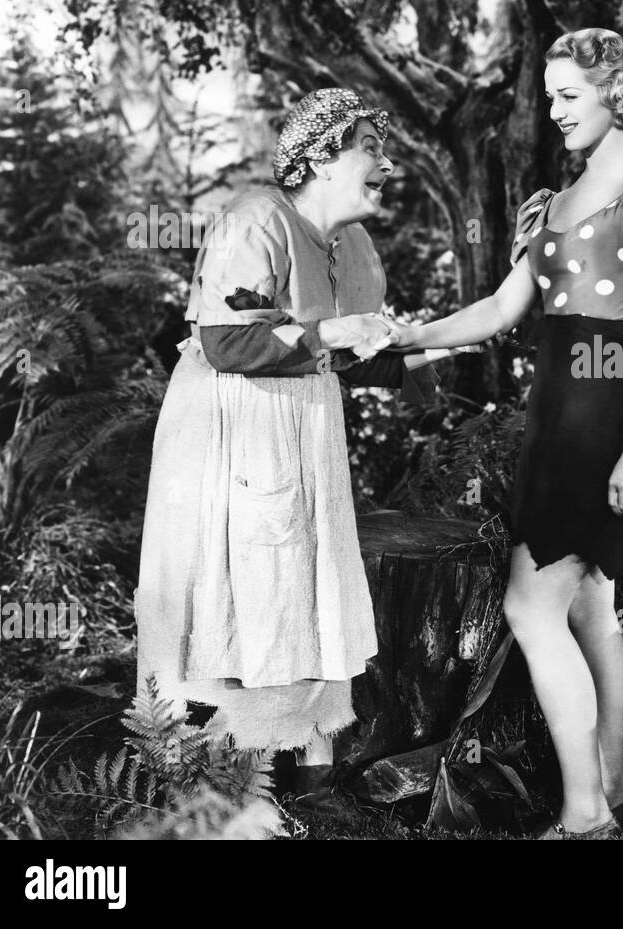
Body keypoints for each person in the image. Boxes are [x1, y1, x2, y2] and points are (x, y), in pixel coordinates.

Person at [398, 29, 623, 839]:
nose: (554, 110)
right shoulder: (554, 203)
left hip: (601, 416)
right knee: (594, 606)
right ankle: (614, 786)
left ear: (616, 93)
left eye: (570, 94)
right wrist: (402, 338)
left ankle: (583, 816)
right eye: (551, 95)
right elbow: (501, 311)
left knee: (531, 608)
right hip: (556, 413)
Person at [135, 88, 435, 806]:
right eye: (372, 148)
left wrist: (432, 350)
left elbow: (360, 351)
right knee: (250, 586)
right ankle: (233, 781)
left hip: (306, 421)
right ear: (323, 156)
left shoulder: (356, 246)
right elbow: (224, 341)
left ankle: (309, 762)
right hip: (235, 424)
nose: (387, 165)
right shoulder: (256, 220)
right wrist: (328, 336)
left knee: (309, 580)